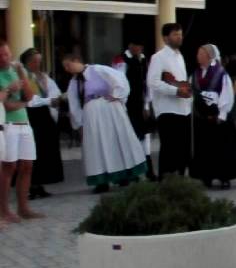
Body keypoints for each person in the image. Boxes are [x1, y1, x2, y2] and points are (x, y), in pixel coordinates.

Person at [64, 53, 148, 192]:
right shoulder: (74, 83)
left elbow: (119, 78)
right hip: (91, 114)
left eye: (68, 65)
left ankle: (124, 175)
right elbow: (74, 104)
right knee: (97, 146)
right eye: (65, 67)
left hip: (109, 109)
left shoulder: (97, 69)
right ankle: (101, 181)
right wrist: (79, 123)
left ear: (76, 60)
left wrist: (117, 94)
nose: (67, 69)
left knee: (116, 141)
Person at [190, 44, 236, 189]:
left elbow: (226, 94)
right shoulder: (195, 75)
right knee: (205, 149)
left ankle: (224, 177)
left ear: (208, 56)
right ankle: (207, 176)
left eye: (201, 53)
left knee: (222, 149)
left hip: (218, 118)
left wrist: (222, 114)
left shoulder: (220, 73)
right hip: (202, 119)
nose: (198, 56)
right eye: (198, 54)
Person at [0, 42, 41, 223]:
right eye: (1, 56)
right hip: (8, 124)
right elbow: (5, 105)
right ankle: (4, 210)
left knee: (27, 165)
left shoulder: (15, 70)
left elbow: (30, 96)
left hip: (24, 123)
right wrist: (13, 93)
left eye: (6, 54)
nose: (4, 58)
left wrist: (21, 73)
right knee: (9, 167)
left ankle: (23, 208)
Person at [147, 22, 193, 178]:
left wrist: (186, 91)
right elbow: (153, 82)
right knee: (169, 149)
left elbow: (181, 81)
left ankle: (180, 182)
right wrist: (176, 91)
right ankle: (166, 183)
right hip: (167, 110)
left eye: (180, 34)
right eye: (175, 34)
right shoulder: (158, 57)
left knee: (183, 150)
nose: (179, 37)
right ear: (166, 38)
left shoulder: (180, 57)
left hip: (184, 109)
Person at [19, 48, 63, 199]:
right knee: (33, 150)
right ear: (26, 62)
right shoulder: (24, 76)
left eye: (39, 61)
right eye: (34, 61)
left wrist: (56, 98)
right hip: (30, 115)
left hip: (44, 116)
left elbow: (54, 91)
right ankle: (30, 185)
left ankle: (40, 184)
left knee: (44, 150)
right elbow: (30, 98)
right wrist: (49, 100)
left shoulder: (43, 76)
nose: (37, 64)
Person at [114, 37, 155, 180]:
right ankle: (130, 173)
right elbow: (118, 83)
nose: (140, 49)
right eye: (138, 46)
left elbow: (147, 84)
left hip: (141, 104)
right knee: (129, 138)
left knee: (145, 138)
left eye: (141, 47)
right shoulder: (121, 60)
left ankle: (149, 171)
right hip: (127, 105)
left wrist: (146, 104)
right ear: (131, 45)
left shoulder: (143, 60)